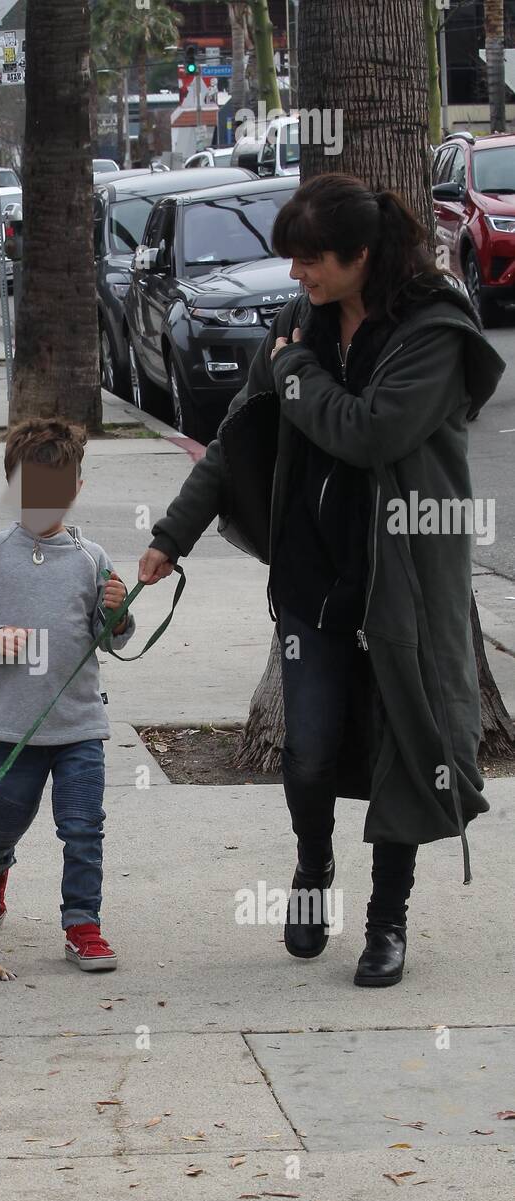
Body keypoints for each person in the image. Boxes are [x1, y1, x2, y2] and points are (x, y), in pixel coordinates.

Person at [138, 173, 505, 988]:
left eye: (310, 261)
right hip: (313, 580)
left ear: (361, 257)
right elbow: (240, 433)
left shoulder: (430, 332)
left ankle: (387, 922)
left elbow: (369, 433)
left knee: (404, 756)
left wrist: (297, 371)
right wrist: (173, 535)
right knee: (305, 755)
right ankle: (312, 874)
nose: (296, 276)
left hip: (402, 582)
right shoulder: (301, 319)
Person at [0, 417, 134, 972]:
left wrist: (117, 611)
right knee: (5, 819)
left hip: (79, 726)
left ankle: (83, 923)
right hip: (12, 726)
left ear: (76, 489)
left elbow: (114, 636)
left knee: (82, 828)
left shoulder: (90, 558)